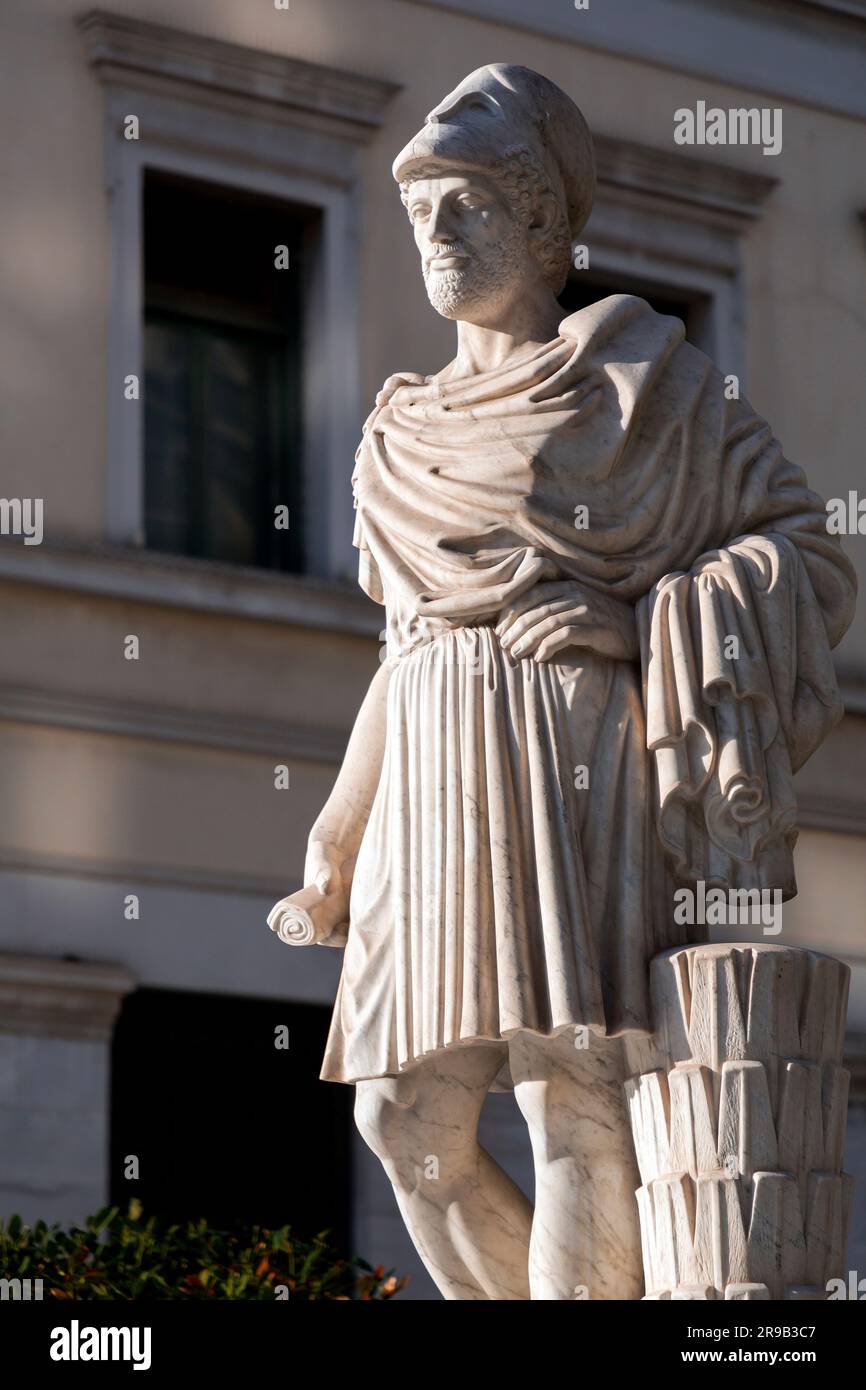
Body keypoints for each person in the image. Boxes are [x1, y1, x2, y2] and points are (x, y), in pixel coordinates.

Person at [294, 65, 856, 1300]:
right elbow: (403, 644)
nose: (437, 236)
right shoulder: (392, 433)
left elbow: (800, 561)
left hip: (577, 752)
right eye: (422, 211)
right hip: (428, 778)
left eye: (470, 207)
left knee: (574, 1103)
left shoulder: (648, 379)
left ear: (544, 220)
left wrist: (630, 617)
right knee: (402, 1121)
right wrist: (338, 832)